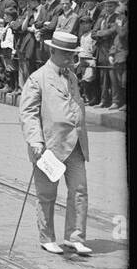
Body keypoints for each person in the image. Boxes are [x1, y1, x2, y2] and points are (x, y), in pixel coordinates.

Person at [19, 30, 91, 256]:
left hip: (76, 144)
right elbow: (28, 113)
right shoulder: (37, 78)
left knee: (79, 190)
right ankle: (47, 237)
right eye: (65, 53)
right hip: (49, 146)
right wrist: (35, 141)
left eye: (72, 53)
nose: (70, 58)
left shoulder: (72, 76)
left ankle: (75, 236)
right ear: (53, 51)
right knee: (47, 194)